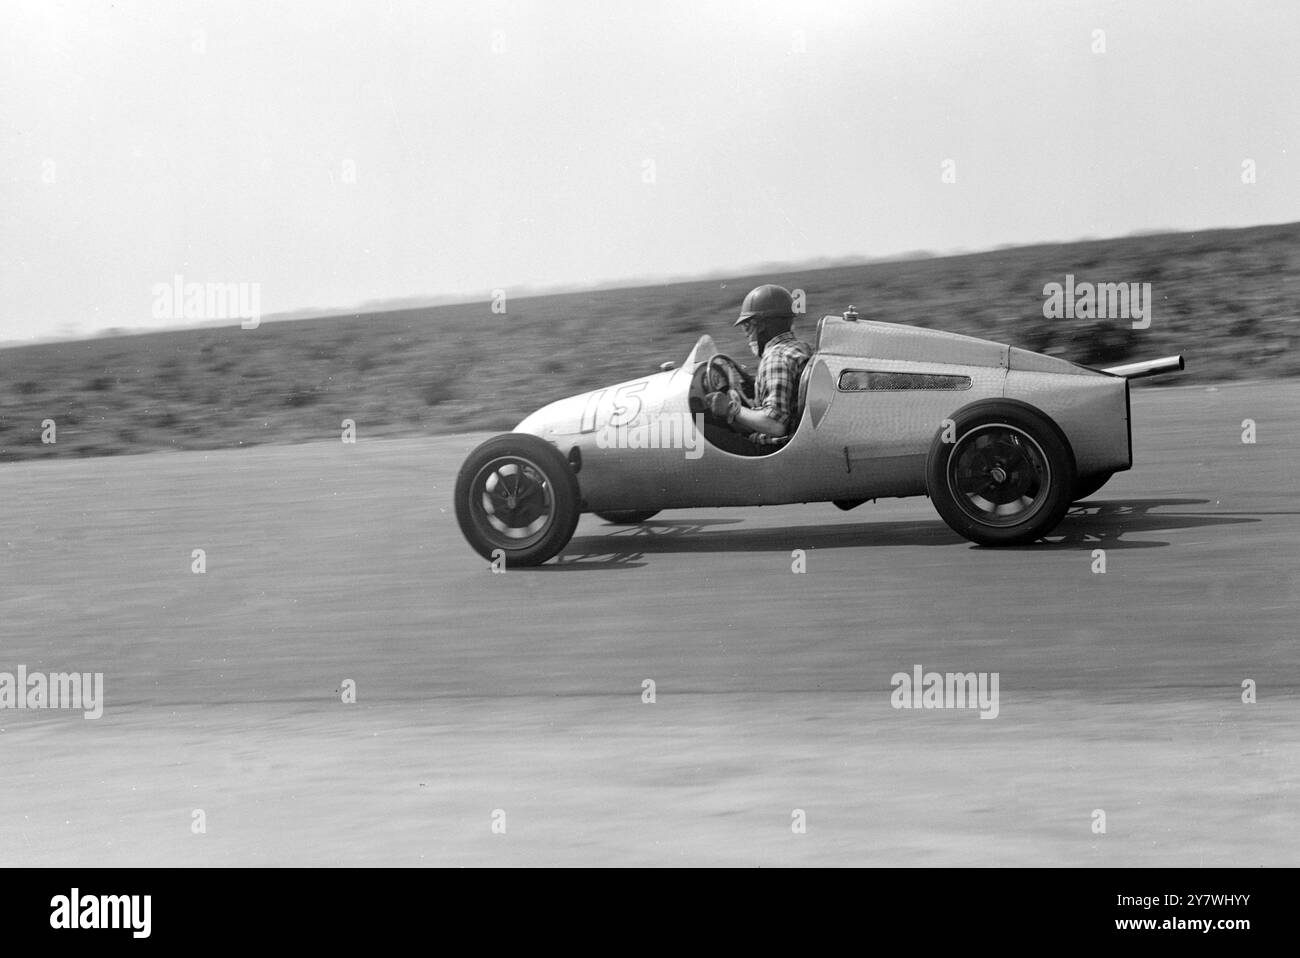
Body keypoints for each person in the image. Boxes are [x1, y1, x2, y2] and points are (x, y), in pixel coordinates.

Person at [704, 284, 813, 448]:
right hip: (798, 441)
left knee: (702, 433)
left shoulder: (775, 358)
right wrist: (756, 388)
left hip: (773, 448)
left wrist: (730, 407)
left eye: (747, 327)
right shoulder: (800, 347)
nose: (747, 335)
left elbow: (775, 425)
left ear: (760, 325)